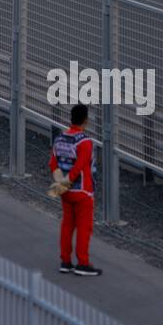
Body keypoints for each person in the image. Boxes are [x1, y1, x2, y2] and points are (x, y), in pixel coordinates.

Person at [49, 105, 101, 276]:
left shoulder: (60, 138)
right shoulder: (85, 142)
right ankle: (83, 263)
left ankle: (65, 261)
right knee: (84, 228)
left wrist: (60, 184)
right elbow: (79, 166)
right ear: (85, 120)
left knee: (67, 225)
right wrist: (69, 181)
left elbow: (53, 163)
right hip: (83, 192)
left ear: (71, 118)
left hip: (65, 192)